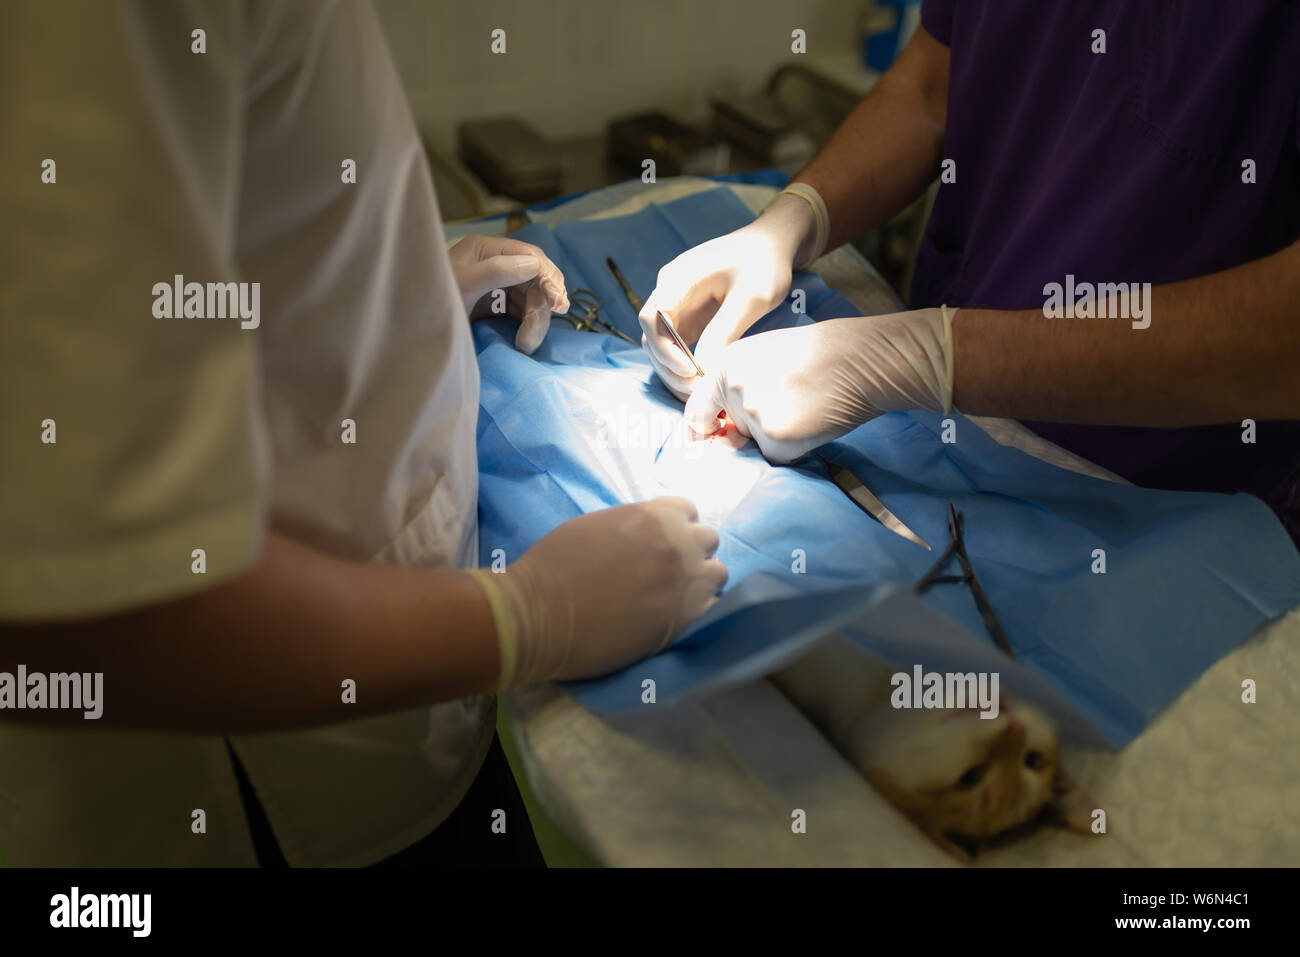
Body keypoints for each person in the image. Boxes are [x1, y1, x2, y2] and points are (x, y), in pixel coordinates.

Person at [0, 0, 725, 866]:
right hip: (273, 796)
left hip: (387, 735)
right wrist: (529, 618)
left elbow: (165, 257)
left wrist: (378, 305)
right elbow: (74, 614)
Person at [640, 0, 1300, 544]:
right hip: (940, 432)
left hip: (1165, 505)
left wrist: (928, 355)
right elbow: (936, 80)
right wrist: (792, 222)